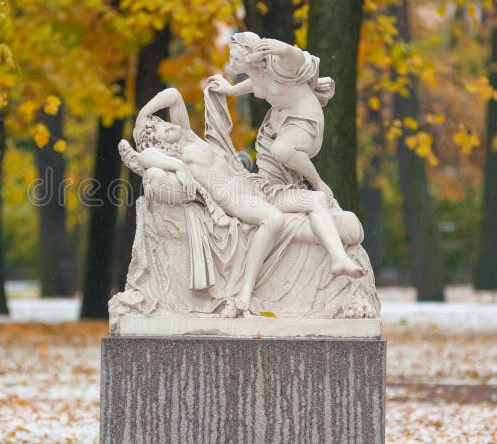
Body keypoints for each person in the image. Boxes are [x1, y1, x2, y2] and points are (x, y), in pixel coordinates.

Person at [127, 87, 363, 318]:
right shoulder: (164, 156)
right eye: (160, 127)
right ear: (154, 140)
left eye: (164, 122)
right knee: (273, 219)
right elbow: (147, 157)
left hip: (254, 186)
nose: (168, 124)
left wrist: (142, 114)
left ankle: (339, 259)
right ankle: (245, 294)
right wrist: (177, 166)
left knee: (316, 199)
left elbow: (174, 96)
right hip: (235, 199)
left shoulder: (188, 136)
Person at [205, 32, 335, 198]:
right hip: (278, 123)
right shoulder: (256, 73)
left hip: (304, 119)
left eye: (236, 59)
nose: (231, 63)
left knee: (281, 150)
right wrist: (231, 90)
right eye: (231, 58)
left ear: (251, 56)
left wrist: (284, 49)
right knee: (270, 179)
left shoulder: (277, 65)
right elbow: (257, 83)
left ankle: (318, 183)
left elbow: (299, 60)